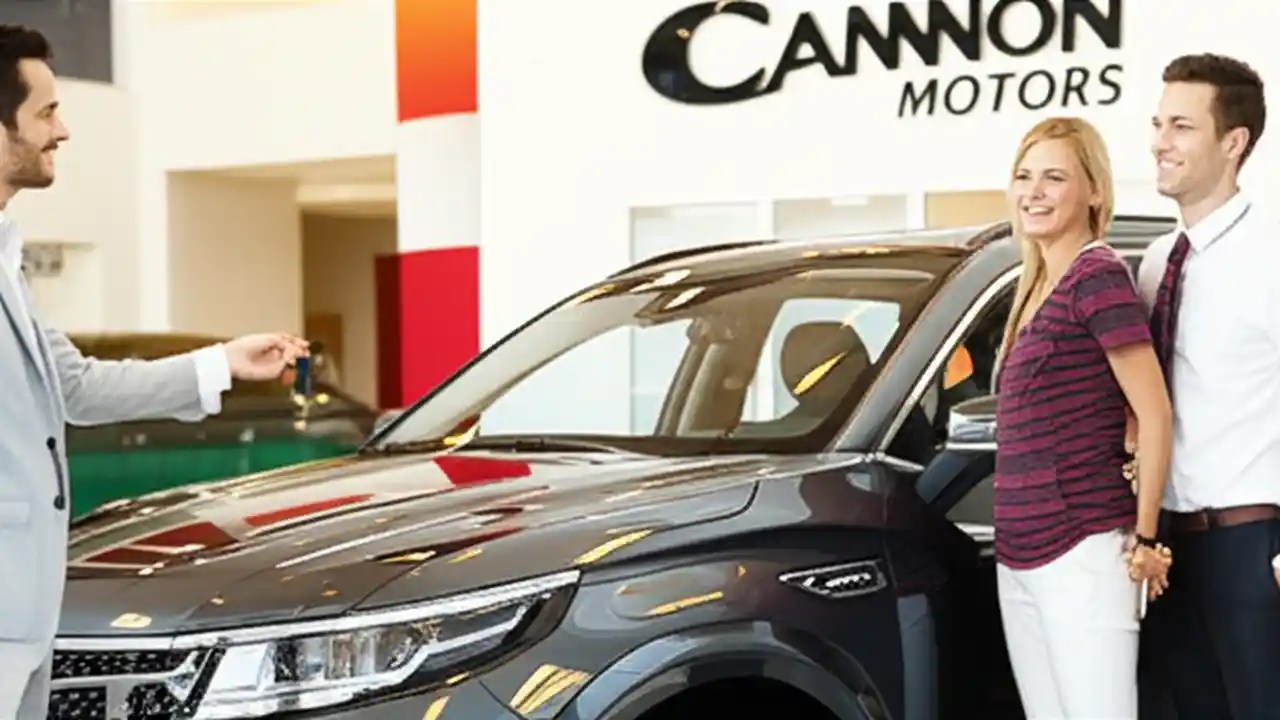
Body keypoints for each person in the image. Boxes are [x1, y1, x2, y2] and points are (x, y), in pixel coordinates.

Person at [0, 25, 309, 718]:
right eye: (46, 113)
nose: (64, 130)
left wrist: (222, 362)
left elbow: (76, 386)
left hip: (25, 616)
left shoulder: (7, 258)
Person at [993, 116, 1174, 719]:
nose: (1033, 192)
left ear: (1094, 191)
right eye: (1023, 177)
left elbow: (1153, 412)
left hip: (1082, 549)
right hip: (1019, 552)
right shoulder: (1036, 285)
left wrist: (1146, 538)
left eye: (1053, 177)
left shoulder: (1096, 277)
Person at [1137, 52, 1280, 720]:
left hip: (1254, 547)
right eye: (1159, 123)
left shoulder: (1272, 253)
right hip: (1169, 549)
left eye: (1182, 127)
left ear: (1233, 142)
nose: (1160, 142)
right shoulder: (1158, 261)